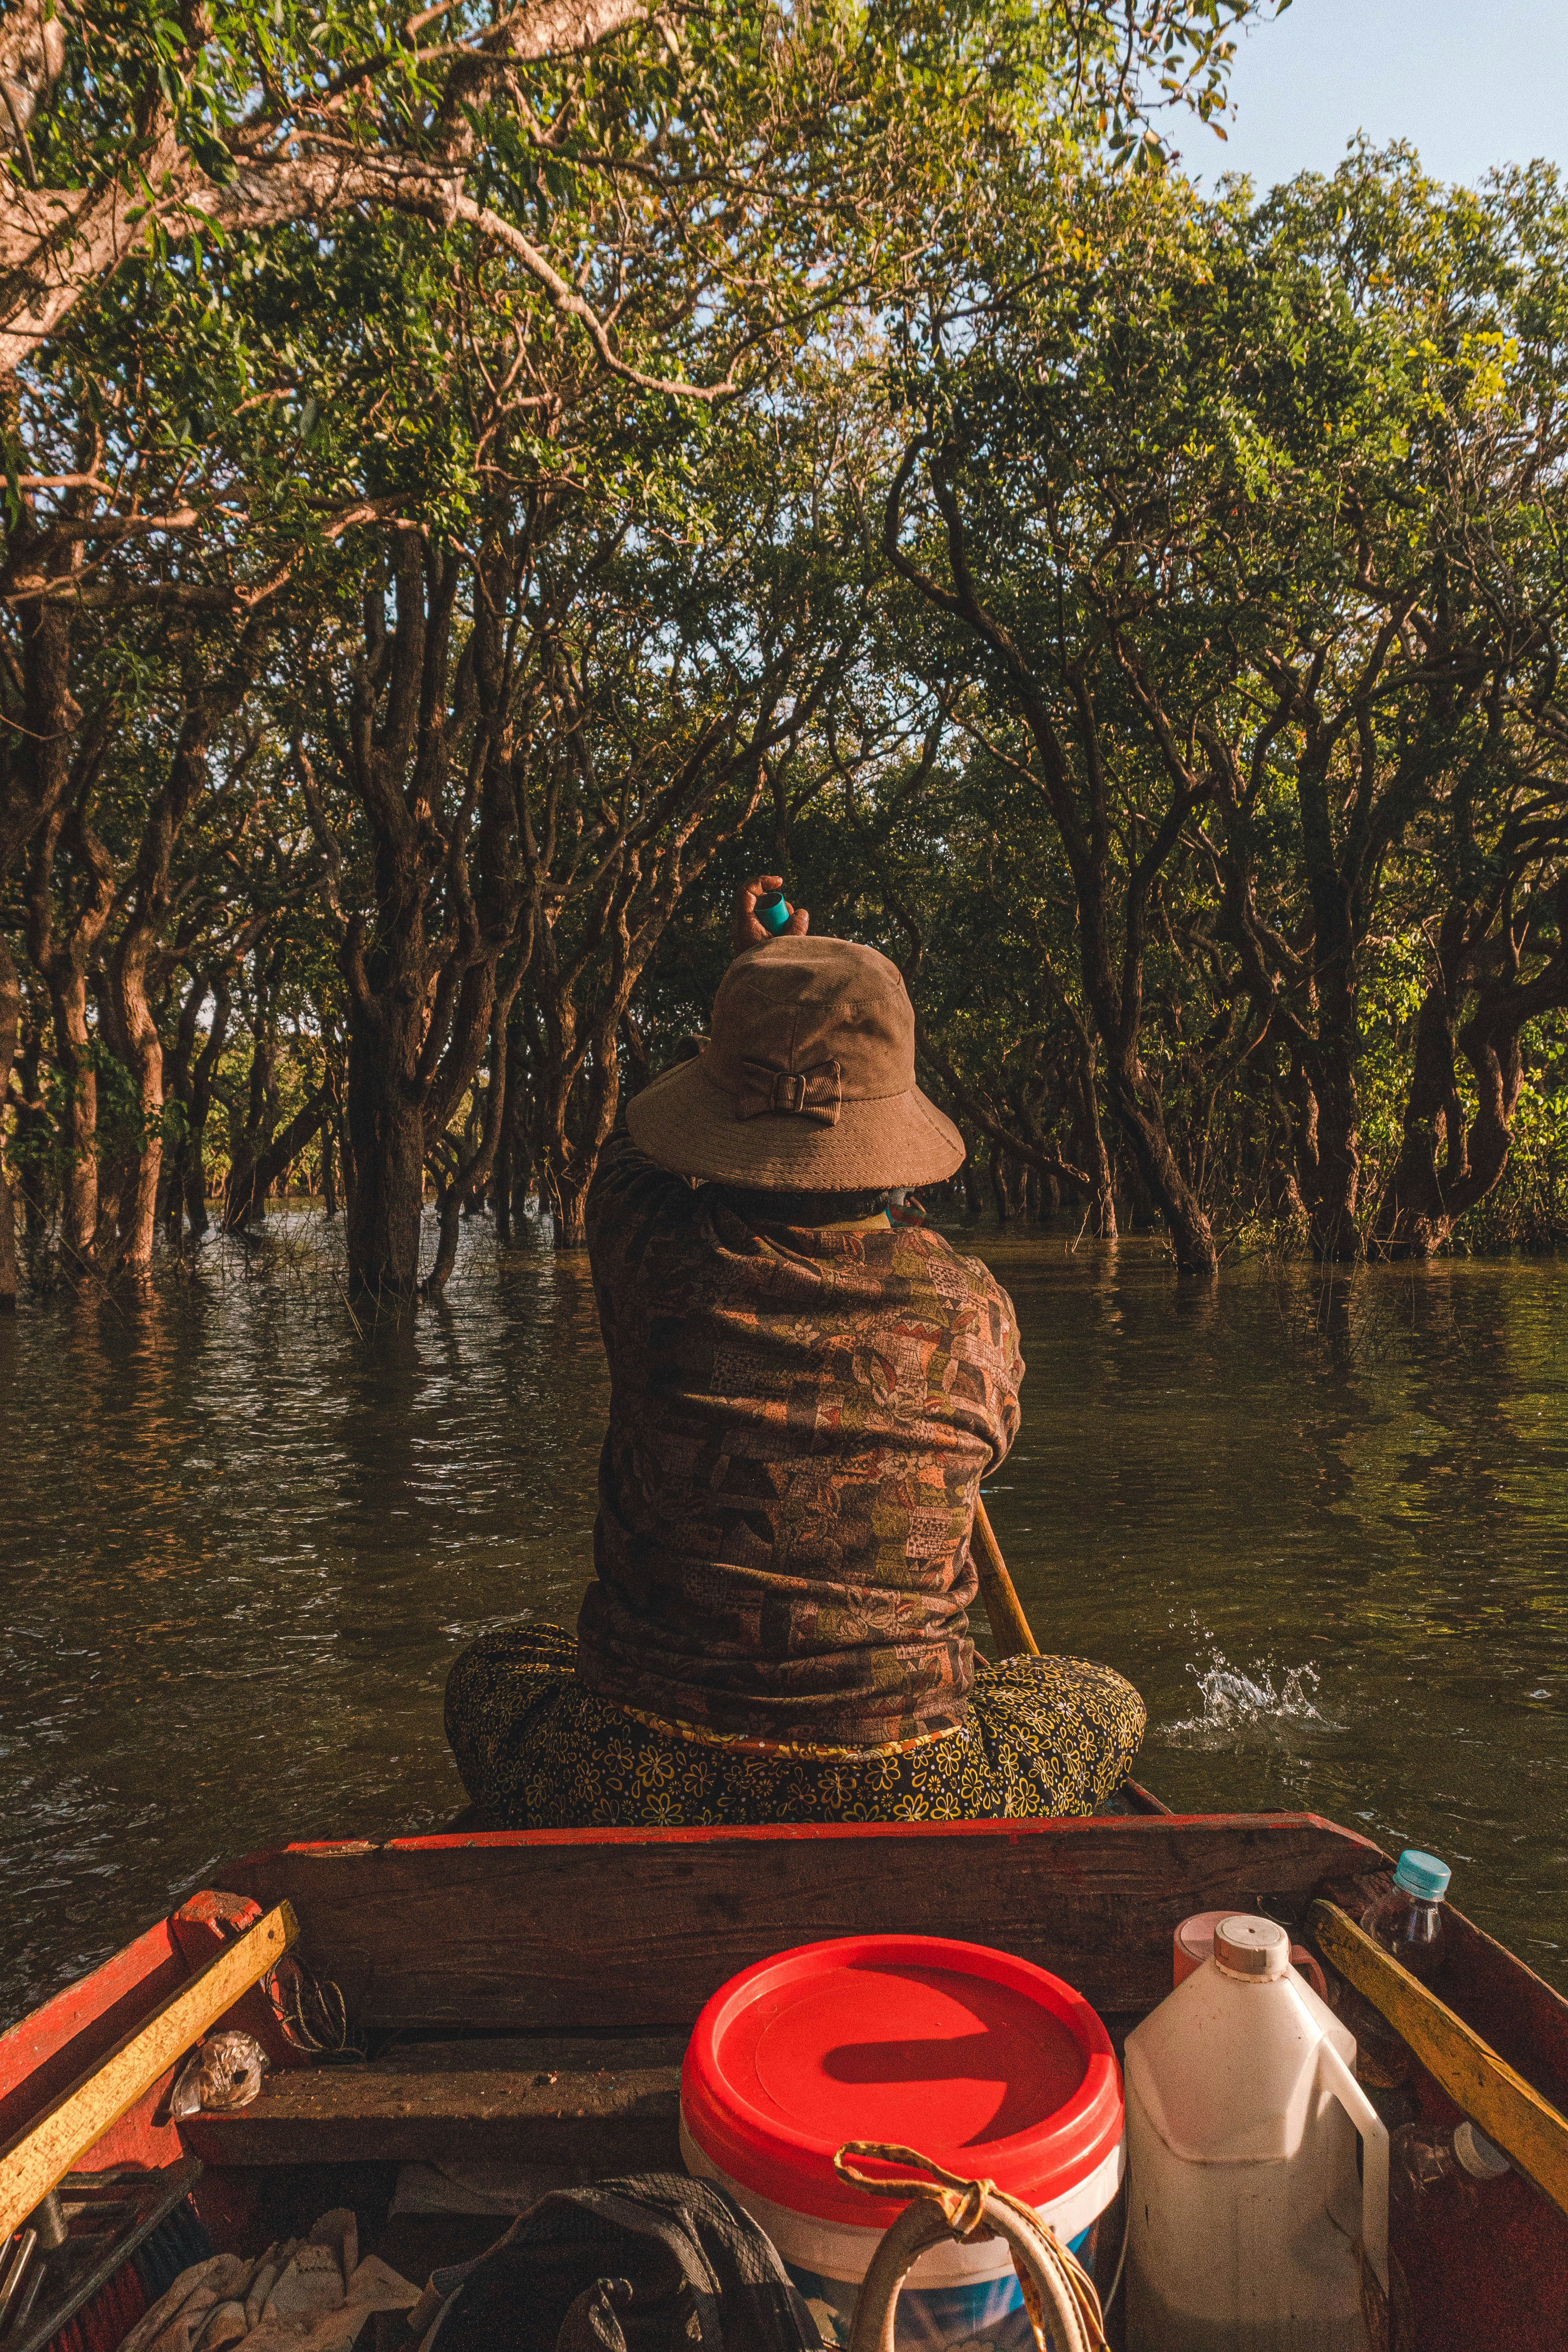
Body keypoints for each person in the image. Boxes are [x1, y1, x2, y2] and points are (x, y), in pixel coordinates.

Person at [445, 878, 1145, 1828]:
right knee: (1100, 1697)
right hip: (905, 1786)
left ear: (716, 1108)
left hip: (636, 1767)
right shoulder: (973, 1307)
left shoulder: (648, 1254)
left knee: (499, 1665)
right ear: (891, 1127)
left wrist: (751, 979)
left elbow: (629, 1156)